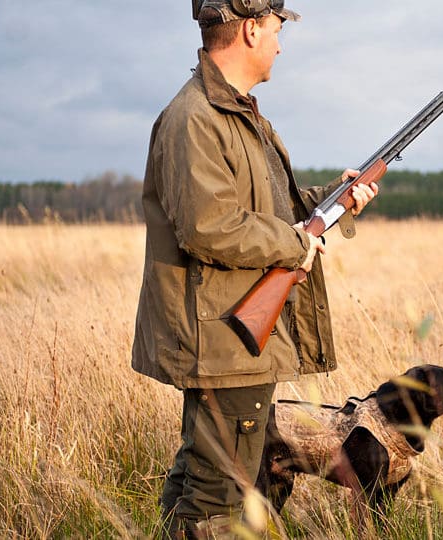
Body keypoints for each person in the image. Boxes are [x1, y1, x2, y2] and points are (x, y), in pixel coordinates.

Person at [131, 1, 378, 537]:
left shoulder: (237, 114)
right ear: (249, 29)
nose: (280, 43)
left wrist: (332, 200)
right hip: (223, 338)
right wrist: (293, 244)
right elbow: (209, 225)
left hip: (235, 344)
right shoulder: (195, 119)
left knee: (205, 481)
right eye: (275, 28)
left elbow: (262, 209)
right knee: (218, 498)